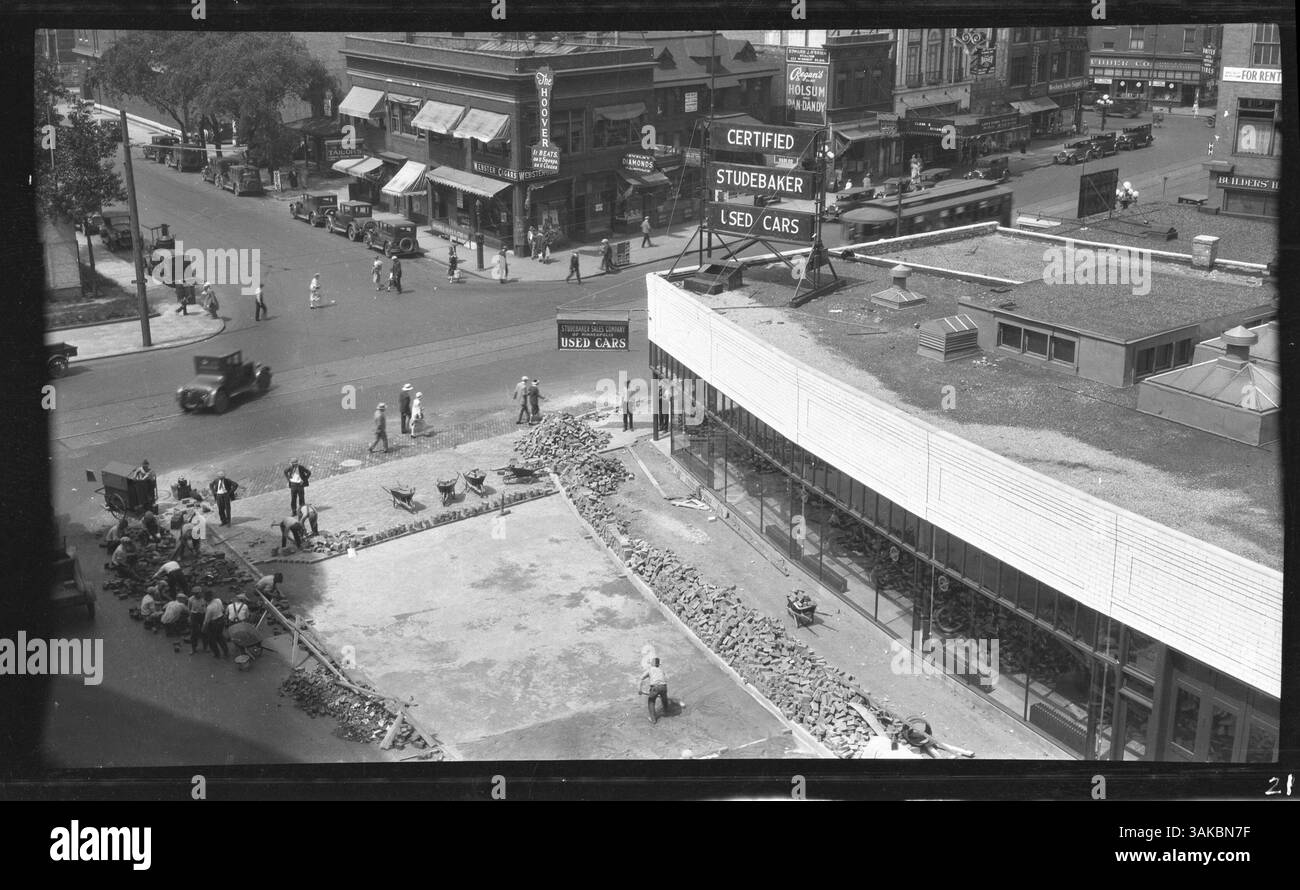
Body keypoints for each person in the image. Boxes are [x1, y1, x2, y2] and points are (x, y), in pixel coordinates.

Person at [201, 589, 229, 659]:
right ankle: (226, 652)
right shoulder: (218, 600)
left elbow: (206, 621)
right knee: (220, 637)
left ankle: (217, 654)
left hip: (214, 624)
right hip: (221, 620)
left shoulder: (209, 608)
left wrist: (203, 628)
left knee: (211, 639)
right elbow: (222, 609)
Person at [641, 657, 669, 724]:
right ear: (659, 664)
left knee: (651, 702)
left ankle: (653, 719)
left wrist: (640, 689)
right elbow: (665, 677)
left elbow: (641, 678)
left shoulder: (650, 669)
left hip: (655, 688)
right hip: (664, 687)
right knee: (664, 698)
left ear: (652, 664)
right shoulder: (661, 670)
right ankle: (666, 710)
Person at [187, 586, 209, 655]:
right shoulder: (191, 599)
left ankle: (205, 647)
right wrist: (190, 617)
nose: (196, 595)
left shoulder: (204, 599)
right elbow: (189, 608)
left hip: (203, 615)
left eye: (198, 593)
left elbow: (208, 606)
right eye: (195, 594)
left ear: (201, 592)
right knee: (194, 632)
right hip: (194, 615)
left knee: (205, 631)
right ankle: (193, 648)